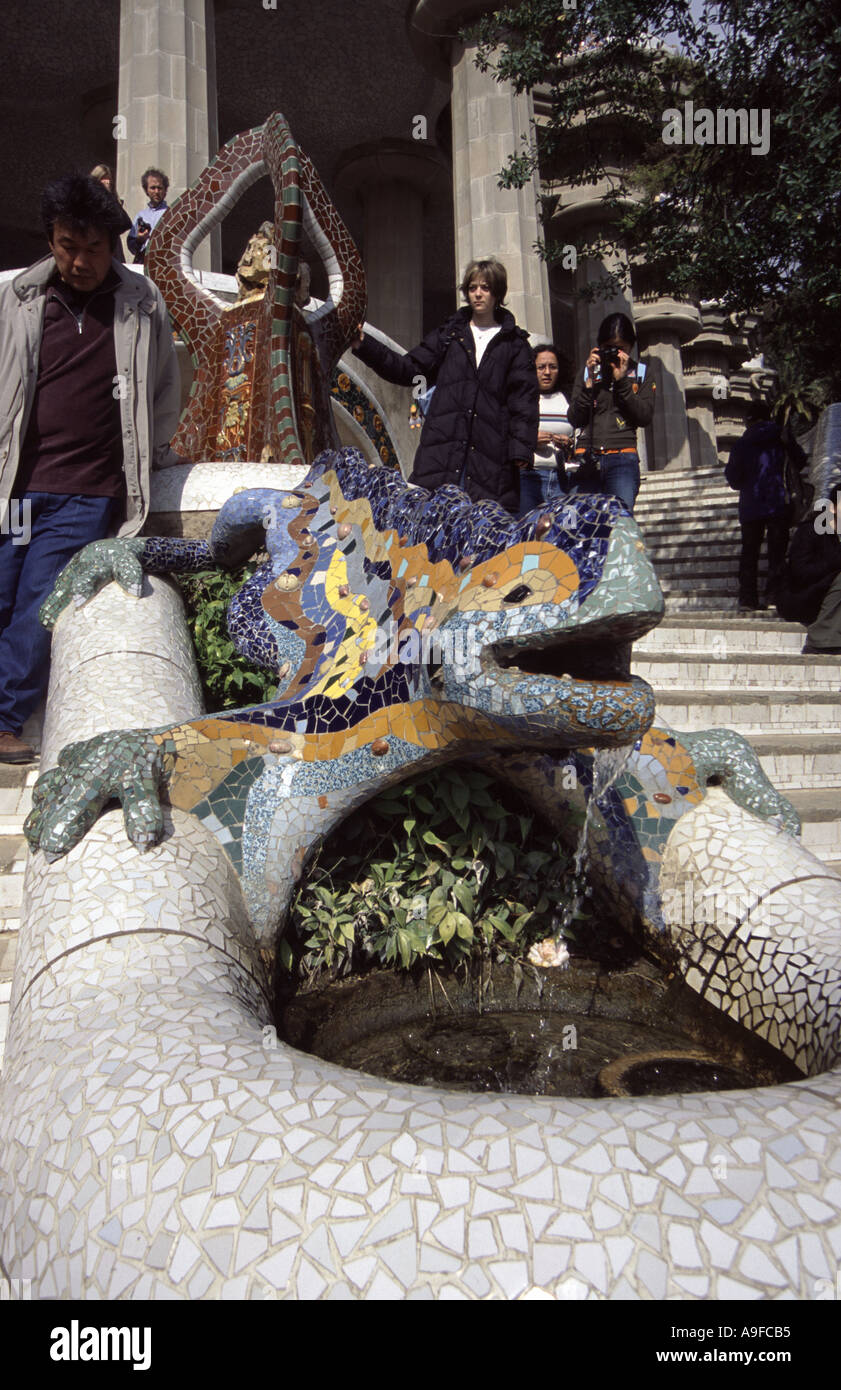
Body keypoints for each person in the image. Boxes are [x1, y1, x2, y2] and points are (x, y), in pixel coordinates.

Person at [0, 174, 184, 763]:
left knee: (38, 604)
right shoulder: (22, 298)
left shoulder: (141, 303)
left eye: (93, 248)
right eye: (66, 246)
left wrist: (156, 458)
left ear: (116, 244)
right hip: (15, 489)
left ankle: (6, 719)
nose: (79, 261)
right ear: (51, 241)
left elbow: (162, 389)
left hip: (86, 491)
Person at [352, 257, 538, 515]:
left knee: (481, 537)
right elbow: (409, 369)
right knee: (431, 531)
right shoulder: (450, 335)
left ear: (497, 292)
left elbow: (524, 401)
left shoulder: (515, 345)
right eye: (472, 288)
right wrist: (365, 345)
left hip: (490, 458)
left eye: (485, 287)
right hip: (443, 452)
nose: (478, 294)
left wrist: (521, 449)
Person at [566, 312, 655, 514]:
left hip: (622, 459)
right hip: (587, 458)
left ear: (631, 347)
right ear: (599, 346)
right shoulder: (589, 372)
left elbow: (644, 416)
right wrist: (589, 386)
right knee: (584, 526)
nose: (614, 353)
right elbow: (574, 418)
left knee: (619, 523)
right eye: (608, 348)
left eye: (621, 348)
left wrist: (622, 381)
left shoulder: (641, 373)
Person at [725, 402, 798, 610]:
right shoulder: (782, 437)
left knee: (749, 552)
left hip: (751, 505)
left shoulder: (741, 444)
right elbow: (799, 460)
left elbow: (733, 478)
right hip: (778, 501)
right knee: (777, 551)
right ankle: (774, 596)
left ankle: (748, 599)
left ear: (750, 420)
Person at [776, 500, 841, 654]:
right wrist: (834, 566)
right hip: (802, 595)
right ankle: (820, 642)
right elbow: (800, 572)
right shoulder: (810, 530)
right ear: (832, 508)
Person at [518, 343, 574, 516]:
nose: (547, 372)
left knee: (564, 532)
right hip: (529, 478)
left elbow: (581, 435)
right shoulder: (522, 400)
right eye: (541, 367)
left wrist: (569, 443)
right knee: (528, 536)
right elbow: (508, 435)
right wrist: (529, 441)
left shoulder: (569, 398)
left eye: (553, 367)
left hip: (564, 479)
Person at [89, 163, 131, 263]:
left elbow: (125, 223)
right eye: (102, 181)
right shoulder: (87, 201)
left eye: (109, 182)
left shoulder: (113, 201)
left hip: (113, 249)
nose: (106, 185)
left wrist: (108, 196)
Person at [127, 168, 170, 264]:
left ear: (165, 190)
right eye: (152, 188)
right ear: (146, 190)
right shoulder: (141, 215)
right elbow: (131, 247)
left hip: (161, 262)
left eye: (159, 188)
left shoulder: (170, 213)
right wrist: (139, 240)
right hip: (142, 261)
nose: (156, 191)